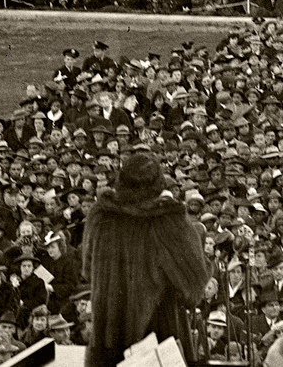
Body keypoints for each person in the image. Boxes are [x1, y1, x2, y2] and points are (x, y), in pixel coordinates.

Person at [81, 152, 209, 367]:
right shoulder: (168, 221)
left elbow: (86, 271)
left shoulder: (100, 216)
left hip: (108, 343)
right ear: (159, 183)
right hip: (158, 344)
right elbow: (193, 289)